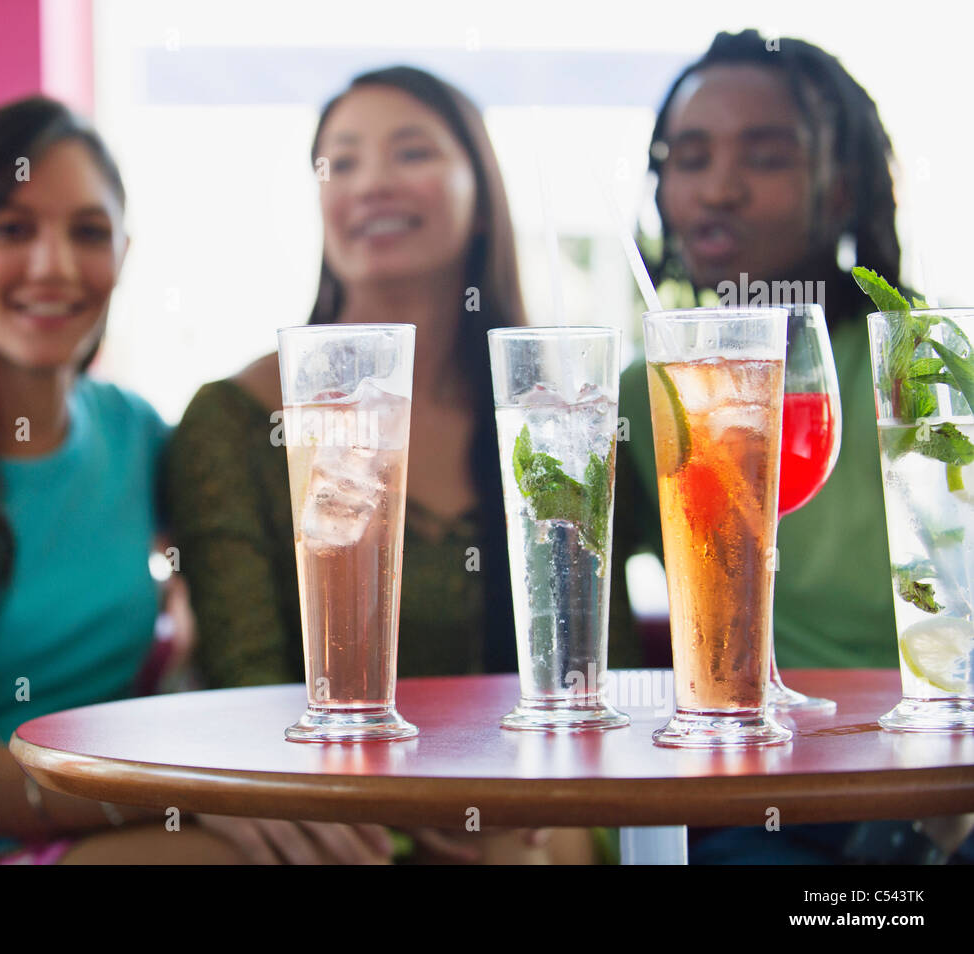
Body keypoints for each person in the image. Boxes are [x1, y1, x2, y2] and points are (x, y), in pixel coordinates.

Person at [0, 95, 387, 865]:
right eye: (12, 229)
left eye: (88, 232)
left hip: (121, 803)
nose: (53, 266)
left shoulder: (135, 432)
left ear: (124, 252)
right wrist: (207, 797)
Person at [166, 65, 606, 864]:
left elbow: (606, 699)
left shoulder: (555, 417)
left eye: (411, 153)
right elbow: (252, 699)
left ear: (483, 195)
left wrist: (552, 833)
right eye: (341, 161)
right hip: (338, 828)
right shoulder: (233, 423)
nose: (370, 183)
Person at [613, 28, 973, 864]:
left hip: (930, 788)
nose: (719, 190)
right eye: (689, 158)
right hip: (755, 803)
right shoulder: (650, 393)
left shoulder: (928, 366)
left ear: (840, 187)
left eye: (767, 158)